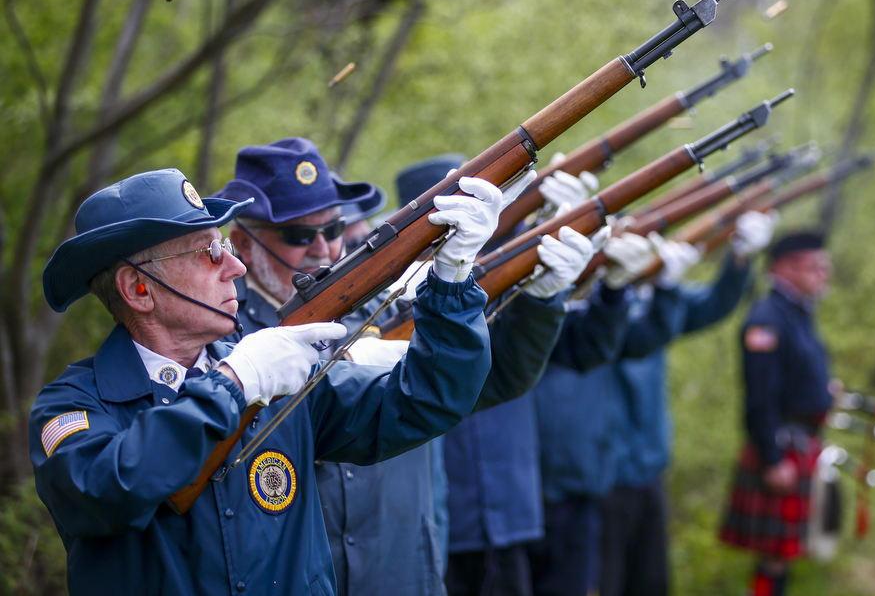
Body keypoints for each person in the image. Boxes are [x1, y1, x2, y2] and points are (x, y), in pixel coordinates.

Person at [29, 164, 504, 595]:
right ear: (138, 289)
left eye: (228, 247)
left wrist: (453, 284)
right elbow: (109, 489)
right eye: (209, 253)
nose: (235, 268)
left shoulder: (268, 369)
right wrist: (233, 384)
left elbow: (425, 400)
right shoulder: (70, 407)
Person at [216, 141, 602, 596]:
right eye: (299, 236)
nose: (322, 247)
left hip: (401, 573)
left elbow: (491, 381)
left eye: (334, 228)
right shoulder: (223, 337)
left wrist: (539, 301)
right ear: (243, 243)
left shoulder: (381, 305)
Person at [529, 212, 775, 596]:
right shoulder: (583, 308)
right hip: (596, 475)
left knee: (649, 583)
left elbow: (710, 307)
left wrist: (738, 260)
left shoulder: (647, 295)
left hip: (647, 468)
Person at [444, 166, 614, 596]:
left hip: (510, 516)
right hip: (443, 529)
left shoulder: (502, 285)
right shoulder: (406, 302)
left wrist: (613, 289)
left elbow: (581, 347)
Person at [719, 231, 834, 596]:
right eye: (815, 267)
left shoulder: (797, 311)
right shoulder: (767, 319)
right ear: (785, 268)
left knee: (782, 554)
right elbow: (760, 396)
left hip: (801, 440)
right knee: (774, 554)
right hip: (782, 446)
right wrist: (771, 457)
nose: (824, 274)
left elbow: (795, 373)